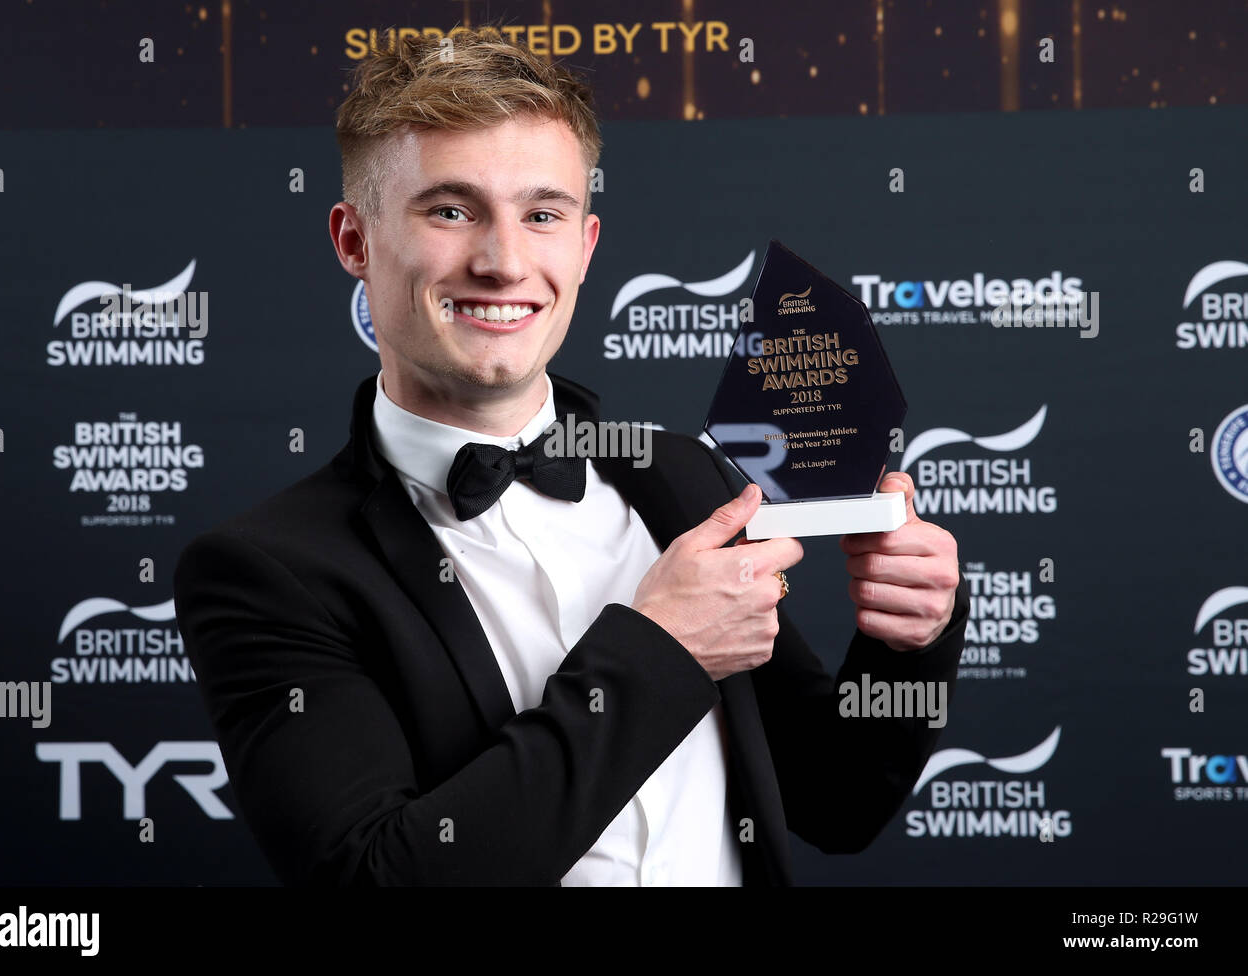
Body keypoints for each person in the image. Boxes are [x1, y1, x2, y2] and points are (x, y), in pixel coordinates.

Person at [173, 29, 968, 886]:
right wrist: (661, 651)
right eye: (450, 209)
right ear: (355, 240)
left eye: (541, 214)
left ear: (586, 246)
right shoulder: (266, 571)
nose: (503, 261)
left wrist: (906, 642)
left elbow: (836, 804)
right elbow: (378, 875)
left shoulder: (684, 482)